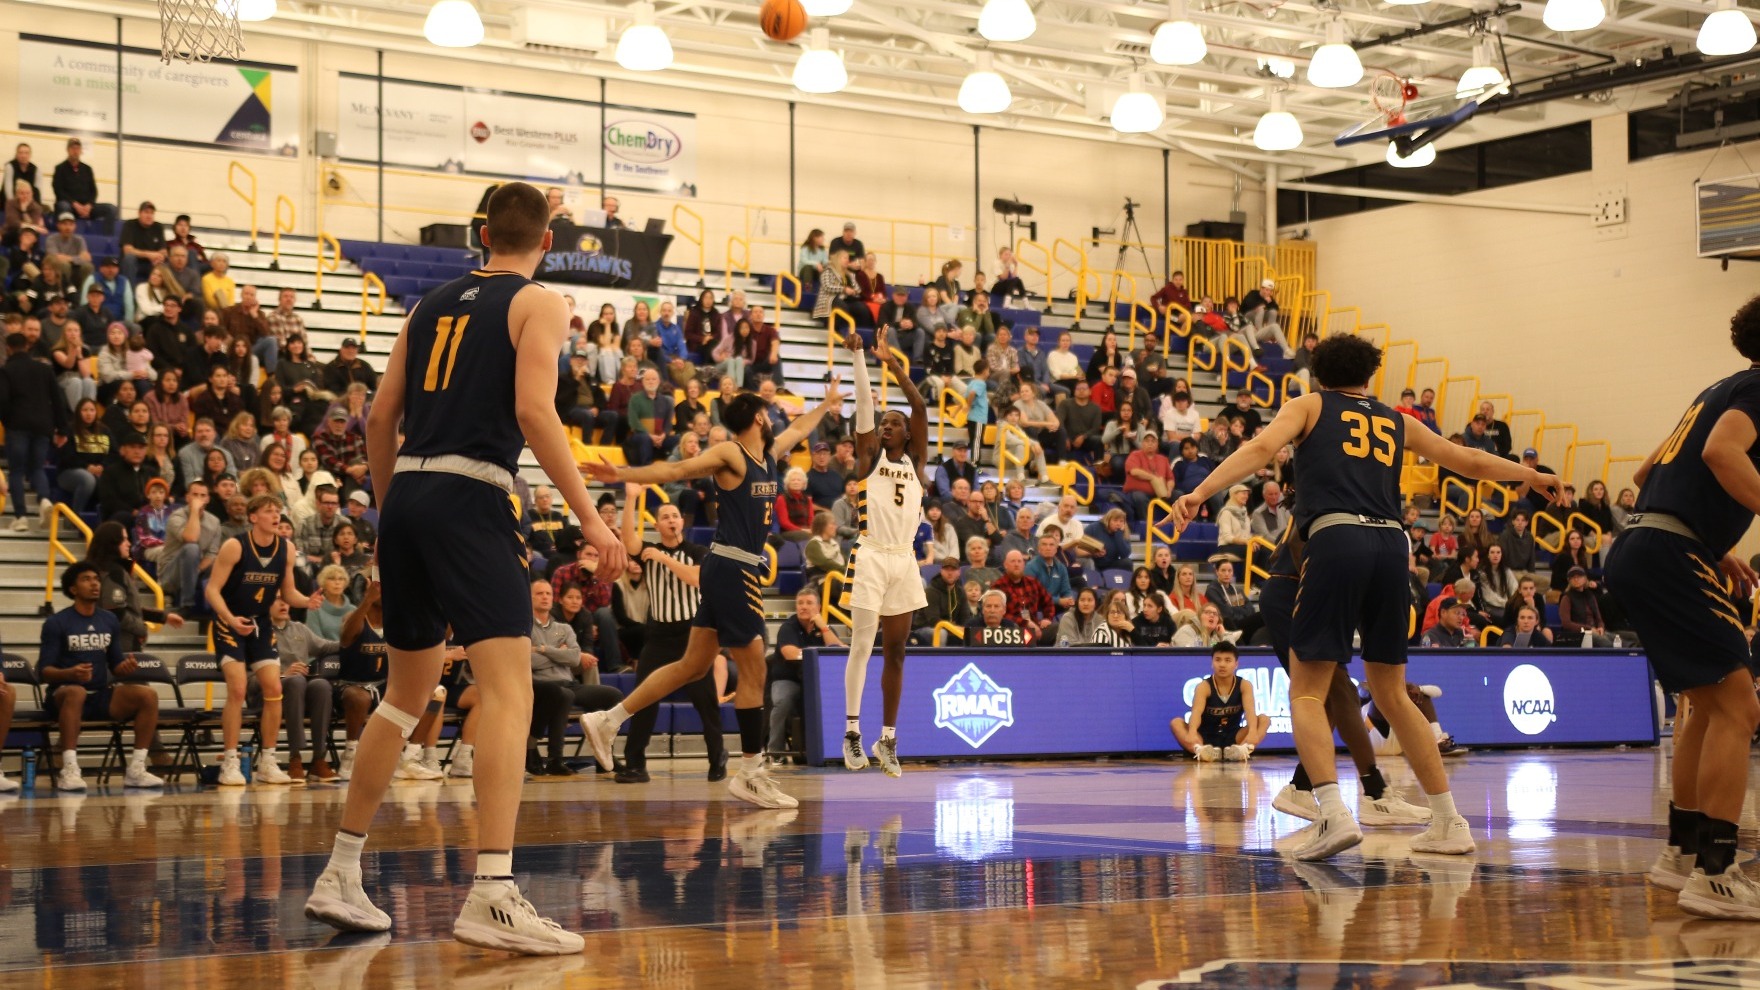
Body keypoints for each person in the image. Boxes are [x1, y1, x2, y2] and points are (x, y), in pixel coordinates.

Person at [305, 182, 629, 955]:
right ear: (546, 243)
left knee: (403, 696)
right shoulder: (541, 302)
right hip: (474, 492)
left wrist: (392, 515)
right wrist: (589, 515)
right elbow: (532, 410)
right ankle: (492, 891)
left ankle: (341, 871)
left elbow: (379, 417)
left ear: (482, 233)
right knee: (510, 689)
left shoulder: (427, 305)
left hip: (408, 492)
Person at [1171, 333, 1558, 861]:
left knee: (1307, 690)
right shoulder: (1395, 418)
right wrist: (1530, 475)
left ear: (1319, 373)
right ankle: (1448, 822)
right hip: (1392, 544)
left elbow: (1261, 448)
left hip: (1336, 538)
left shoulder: (1310, 404)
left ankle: (1332, 813)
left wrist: (1197, 492)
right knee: (1393, 693)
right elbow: (1464, 458)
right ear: (1369, 375)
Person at [583, 367, 843, 809]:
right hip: (733, 569)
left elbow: (800, 426)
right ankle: (751, 771)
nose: (777, 417)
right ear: (759, 418)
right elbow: (679, 467)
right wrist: (623, 474)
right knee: (755, 668)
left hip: (726, 569)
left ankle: (608, 719)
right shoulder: (731, 453)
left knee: (691, 664)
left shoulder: (770, 454)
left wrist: (828, 403)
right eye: (769, 410)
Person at [1604, 297, 1760, 917]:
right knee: (1739, 707)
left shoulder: (1719, 387)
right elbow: (1722, 454)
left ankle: (1685, 853)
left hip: (1644, 544)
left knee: (1704, 702)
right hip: (1667, 552)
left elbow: (1646, 473)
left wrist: (1708, 543)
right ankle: (1717, 873)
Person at [826, 327, 931, 776]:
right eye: (882, 423)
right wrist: (862, 359)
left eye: (894, 423)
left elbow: (921, 406)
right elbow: (865, 408)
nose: (885, 425)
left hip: (904, 559)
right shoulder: (870, 458)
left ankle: (887, 739)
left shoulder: (916, 461)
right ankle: (852, 732)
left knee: (898, 652)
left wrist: (895, 364)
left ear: (906, 435)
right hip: (870, 554)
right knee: (863, 645)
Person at [205, 495, 313, 786]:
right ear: (253, 517)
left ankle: (268, 760)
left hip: (260, 625)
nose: (276, 516)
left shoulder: (287, 549)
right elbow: (212, 590)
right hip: (230, 623)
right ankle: (230, 762)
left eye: (278, 511)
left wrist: (308, 600)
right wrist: (229, 619)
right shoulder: (234, 546)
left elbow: (288, 593)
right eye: (268, 511)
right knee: (238, 690)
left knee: (275, 687)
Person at [40, 562, 165, 790]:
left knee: (147, 695)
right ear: (73, 589)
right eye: (86, 579)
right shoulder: (56, 623)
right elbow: (44, 671)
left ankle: (136, 769)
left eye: (96, 579)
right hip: (62, 695)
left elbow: (115, 664)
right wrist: (69, 673)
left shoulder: (108, 620)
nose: (94, 583)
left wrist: (124, 667)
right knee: (76, 691)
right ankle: (69, 769)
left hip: (99, 695)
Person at [769, 588, 843, 760]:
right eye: (800, 603)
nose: (803, 607)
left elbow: (838, 650)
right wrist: (815, 653)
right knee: (782, 701)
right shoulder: (788, 627)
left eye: (809, 603)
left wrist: (824, 627)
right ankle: (775, 751)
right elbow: (790, 653)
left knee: (839, 700)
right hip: (788, 678)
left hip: (818, 681)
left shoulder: (825, 628)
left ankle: (834, 749)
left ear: (818, 607)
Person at [1169, 643, 1268, 761]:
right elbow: (1196, 712)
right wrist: (1192, 732)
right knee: (1176, 723)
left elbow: (1250, 711)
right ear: (1212, 663)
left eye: (1227, 660)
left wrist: (1252, 732)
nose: (1222, 664)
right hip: (1205, 737)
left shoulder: (1244, 685)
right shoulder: (1204, 686)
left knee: (1264, 719)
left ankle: (1242, 751)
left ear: (1236, 664)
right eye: (1218, 660)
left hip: (1233, 737)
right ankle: (1201, 751)